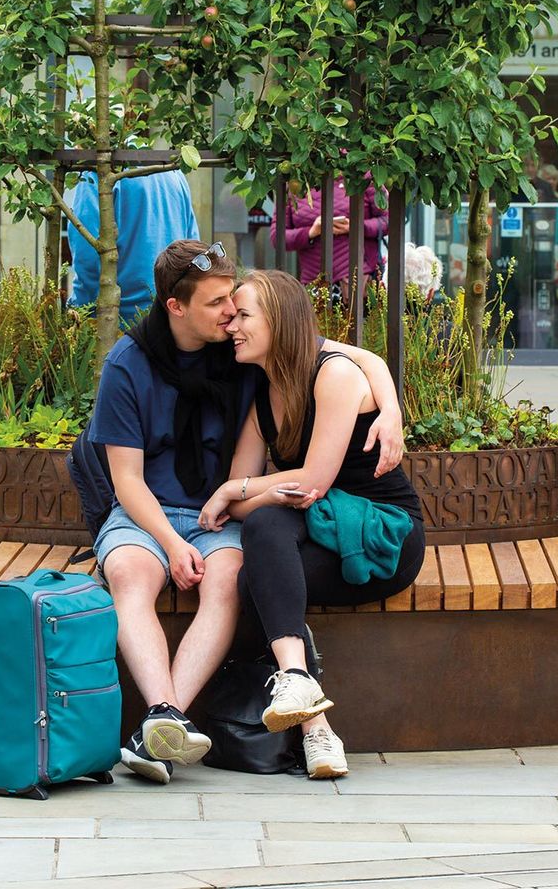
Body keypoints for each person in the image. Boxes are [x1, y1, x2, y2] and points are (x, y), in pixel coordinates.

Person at [82, 240, 405, 784]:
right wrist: (171, 541)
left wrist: (392, 406)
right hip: (148, 514)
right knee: (129, 576)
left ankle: (161, 722)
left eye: (234, 301)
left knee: (231, 579)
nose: (230, 314)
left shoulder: (239, 353)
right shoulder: (127, 364)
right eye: (216, 304)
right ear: (175, 307)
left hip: (219, 519)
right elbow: (127, 481)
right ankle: (166, 717)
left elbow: (347, 356)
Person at [198, 269, 426, 779]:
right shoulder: (264, 397)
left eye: (243, 316)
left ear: (278, 320)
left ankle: (312, 722)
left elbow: (313, 481)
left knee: (260, 570)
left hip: (382, 535)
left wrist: (233, 491)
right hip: (320, 527)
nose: (232, 325)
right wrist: (252, 492)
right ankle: (308, 710)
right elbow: (245, 503)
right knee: (263, 537)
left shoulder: (334, 375)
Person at [67, 169, 199, 327]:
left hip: (117, 323)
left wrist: (80, 312)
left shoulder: (97, 173)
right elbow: (193, 250)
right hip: (172, 316)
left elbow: (87, 257)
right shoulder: (173, 172)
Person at [273, 175, 386, 287]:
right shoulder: (295, 182)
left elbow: (388, 219)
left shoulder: (362, 174)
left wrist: (356, 227)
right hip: (315, 280)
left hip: (359, 276)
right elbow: (276, 237)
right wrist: (311, 232)